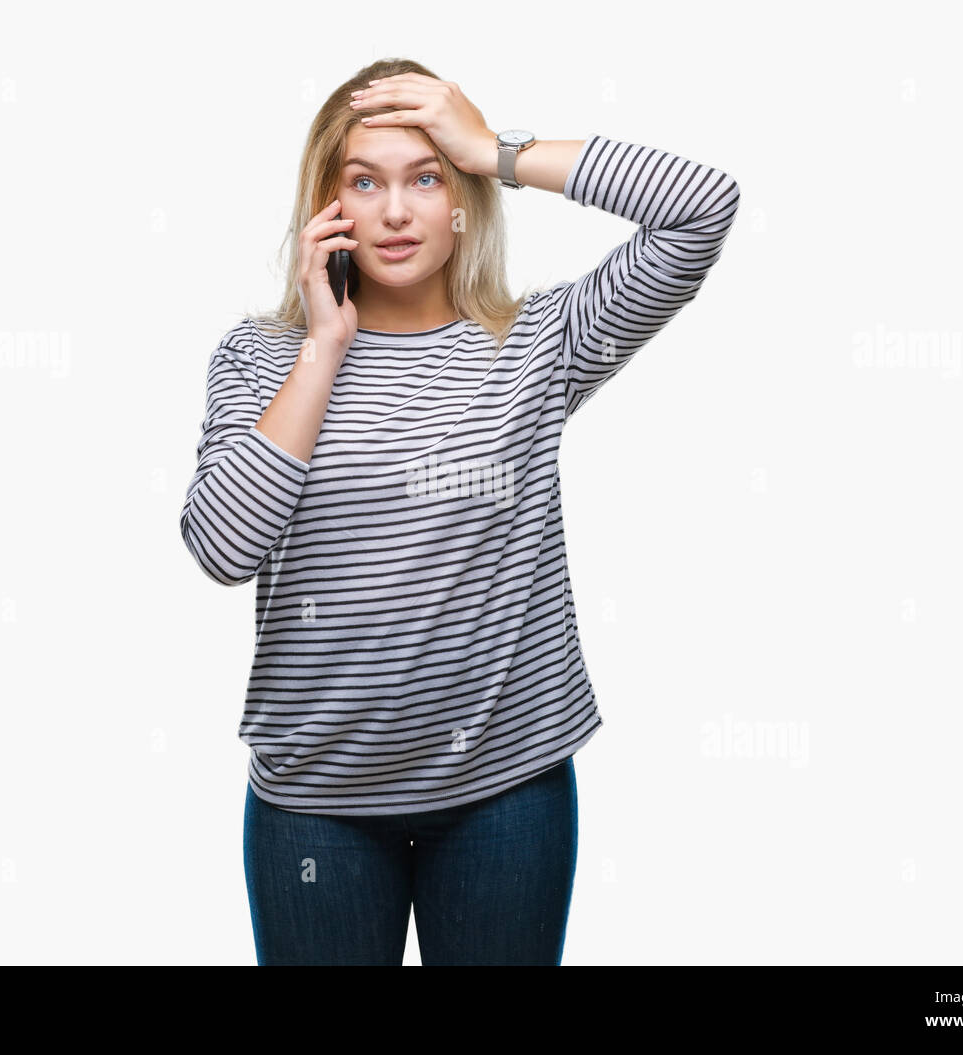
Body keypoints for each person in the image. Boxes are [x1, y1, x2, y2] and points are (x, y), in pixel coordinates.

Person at [179, 58, 740, 965]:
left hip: (505, 794)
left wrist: (497, 147)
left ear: (463, 204)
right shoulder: (259, 355)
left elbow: (701, 204)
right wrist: (323, 348)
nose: (397, 212)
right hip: (315, 803)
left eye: (427, 177)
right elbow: (223, 546)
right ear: (328, 208)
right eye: (366, 182)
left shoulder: (543, 342)